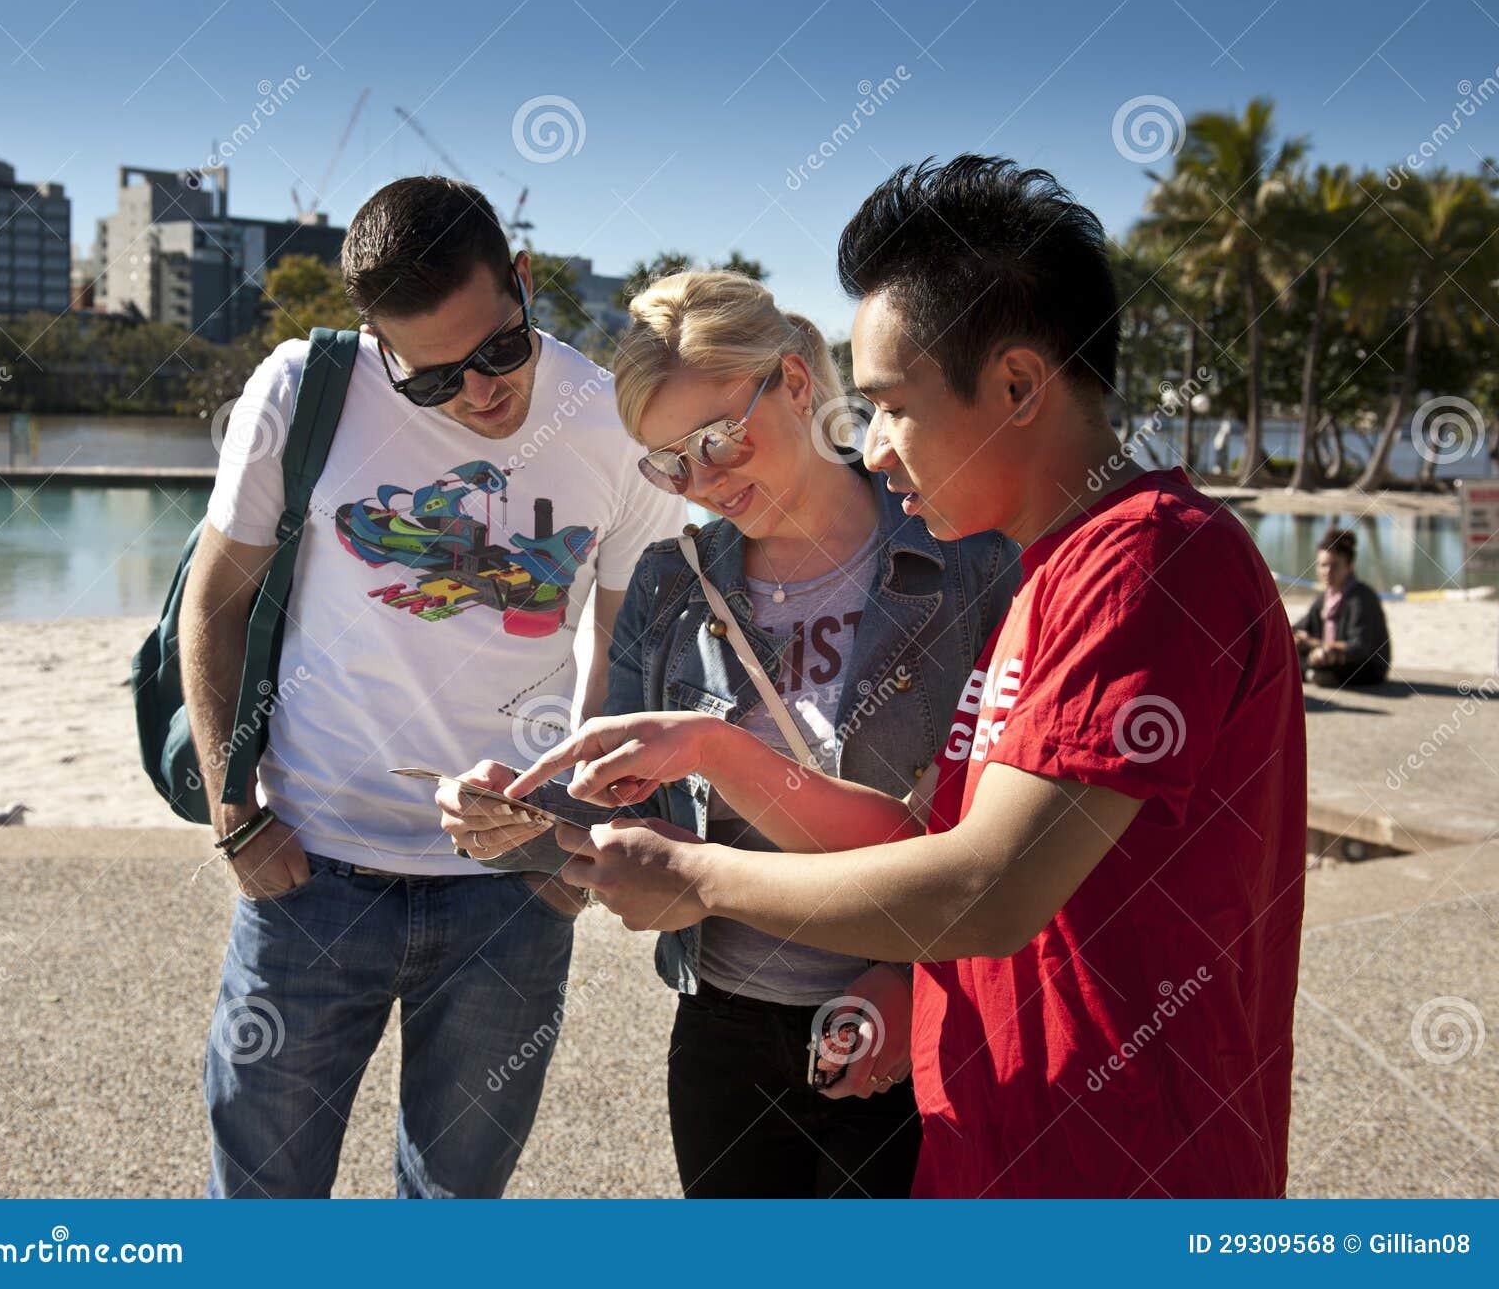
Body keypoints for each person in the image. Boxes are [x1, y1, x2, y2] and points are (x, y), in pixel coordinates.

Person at [502, 155, 1308, 1198]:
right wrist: (708, 748)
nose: (875, 448)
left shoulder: (1148, 560)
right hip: (994, 1143)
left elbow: (985, 891)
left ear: (1016, 385)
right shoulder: (1051, 573)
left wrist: (700, 879)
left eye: (890, 406)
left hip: (1118, 1170)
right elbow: (931, 848)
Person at [437, 270, 1018, 1197]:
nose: (701, 483)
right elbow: (606, 800)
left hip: (925, 1013)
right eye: (669, 463)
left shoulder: (969, 563)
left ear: (794, 384)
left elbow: (1021, 838)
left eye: (717, 439)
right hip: (725, 1031)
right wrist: (515, 816)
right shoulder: (669, 586)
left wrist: (920, 981)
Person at [181, 175, 684, 1198]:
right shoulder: (298, 390)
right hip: (310, 868)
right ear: (377, 342)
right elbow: (214, 604)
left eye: (499, 348)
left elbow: (627, 652)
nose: (479, 394)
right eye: (432, 379)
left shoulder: (614, 425)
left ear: (524, 280)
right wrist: (235, 814)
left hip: (511, 893)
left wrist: (565, 846)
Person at [1292, 528, 1391, 686]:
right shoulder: (1324, 598)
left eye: (1334, 566)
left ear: (1349, 566)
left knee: (1317, 665)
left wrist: (1326, 649)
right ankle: (1311, 672)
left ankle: (1312, 673)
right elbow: (1299, 627)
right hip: (1325, 656)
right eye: (1323, 565)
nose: (1327, 571)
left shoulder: (1361, 598)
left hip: (1363, 666)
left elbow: (1359, 646)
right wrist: (1297, 638)